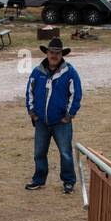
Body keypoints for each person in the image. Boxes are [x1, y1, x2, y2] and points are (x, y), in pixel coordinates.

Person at [24, 37, 83, 193]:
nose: (54, 55)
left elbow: (76, 95)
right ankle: (39, 179)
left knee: (65, 153)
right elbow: (29, 92)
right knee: (39, 153)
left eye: (57, 53)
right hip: (42, 122)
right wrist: (32, 113)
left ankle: (69, 182)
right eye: (51, 52)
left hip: (61, 122)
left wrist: (69, 115)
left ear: (62, 54)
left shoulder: (70, 72)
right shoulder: (37, 72)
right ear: (47, 53)